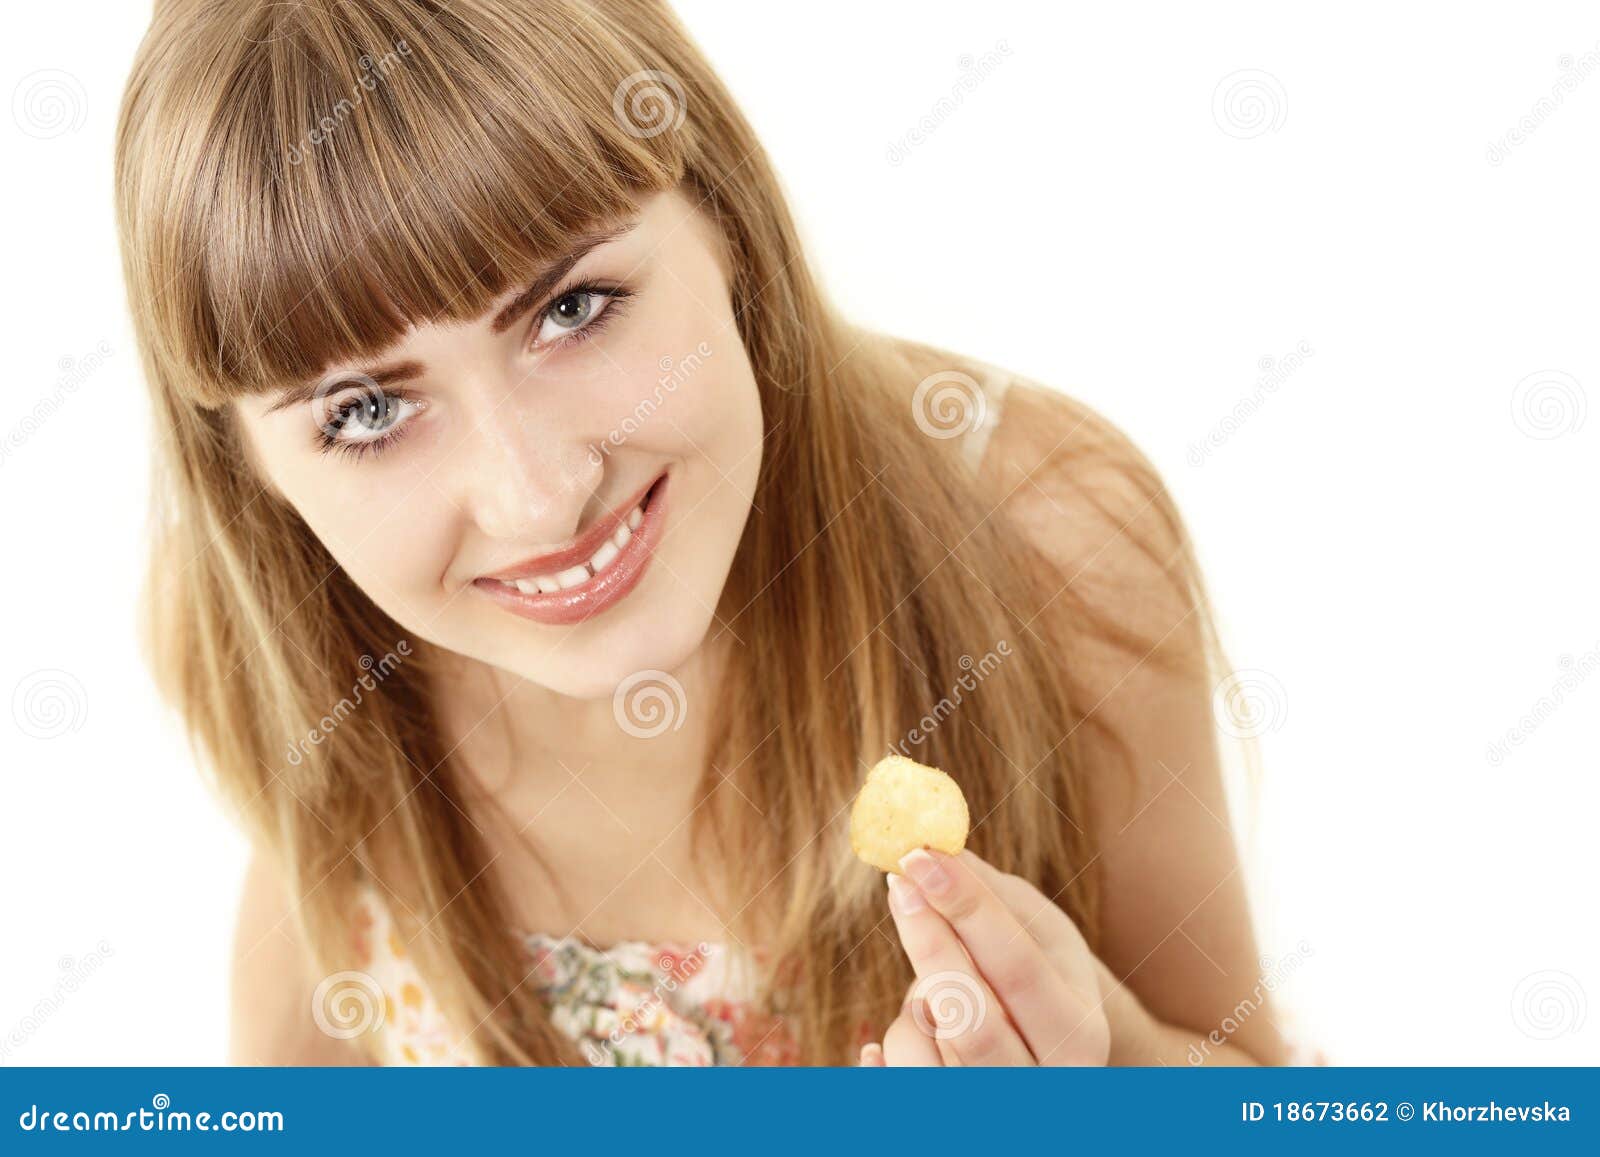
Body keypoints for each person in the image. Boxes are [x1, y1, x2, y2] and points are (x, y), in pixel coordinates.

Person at [115, 0, 1294, 1066]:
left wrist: (1112, 1066)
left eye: (572, 308)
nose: (535, 498)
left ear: (727, 220)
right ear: (248, 467)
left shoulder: (1048, 537)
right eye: (367, 410)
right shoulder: (270, 646)